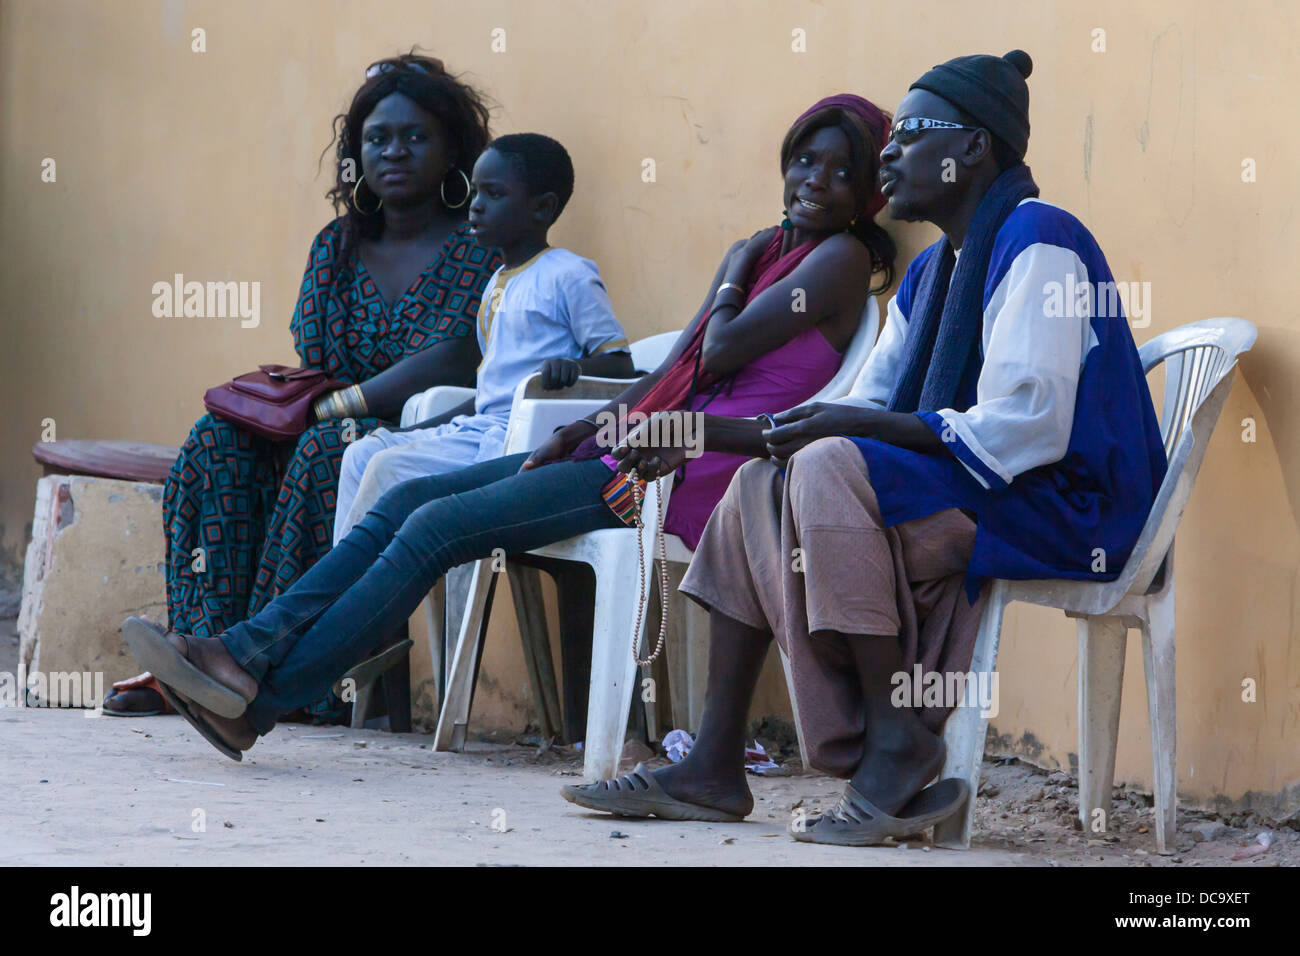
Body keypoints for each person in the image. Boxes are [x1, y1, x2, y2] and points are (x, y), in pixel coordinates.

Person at [119, 94, 898, 760]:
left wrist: (735, 266)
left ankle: (257, 697)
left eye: (841, 171)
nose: (814, 181)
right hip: (635, 444)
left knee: (435, 530)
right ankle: (244, 659)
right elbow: (675, 372)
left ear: (868, 194)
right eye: (805, 161)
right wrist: (584, 427)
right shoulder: (768, 251)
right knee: (402, 505)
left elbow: (721, 346)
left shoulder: (834, 258)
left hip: (688, 470)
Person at [561, 51, 1167, 847]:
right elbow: (861, 406)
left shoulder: (1039, 239)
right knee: (756, 485)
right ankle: (712, 764)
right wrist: (699, 433)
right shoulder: (929, 275)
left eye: (910, 136)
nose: (889, 155)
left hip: (1073, 507)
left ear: (975, 148)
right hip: (980, 488)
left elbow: (1027, 425)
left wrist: (840, 436)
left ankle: (894, 738)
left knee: (826, 465)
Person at [105, 54, 503, 718]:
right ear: (356, 156)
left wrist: (346, 404)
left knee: (330, 448)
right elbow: (314, 354)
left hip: (427, 432)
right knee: (217, 443)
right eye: (377, 139)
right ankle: (196, 653)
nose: (393, 151)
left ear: (452, 150)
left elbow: (457, 357)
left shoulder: (477, 245)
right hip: (327, 416)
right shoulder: (338, 245)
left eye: (414, 136)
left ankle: (275, 672)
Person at [332, 132, 634, 544]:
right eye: (475, 192)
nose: (475, 205)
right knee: (361, 452)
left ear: (542, 208)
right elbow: (488, 392)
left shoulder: (569, 273)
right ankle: (347, 590)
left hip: (516, 440)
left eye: (493, 194)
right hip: (476, 429)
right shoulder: (495, 283)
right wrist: (411, 430)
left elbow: (621, 364)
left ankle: (365, 593)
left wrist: (577, 367)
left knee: (389, 469)